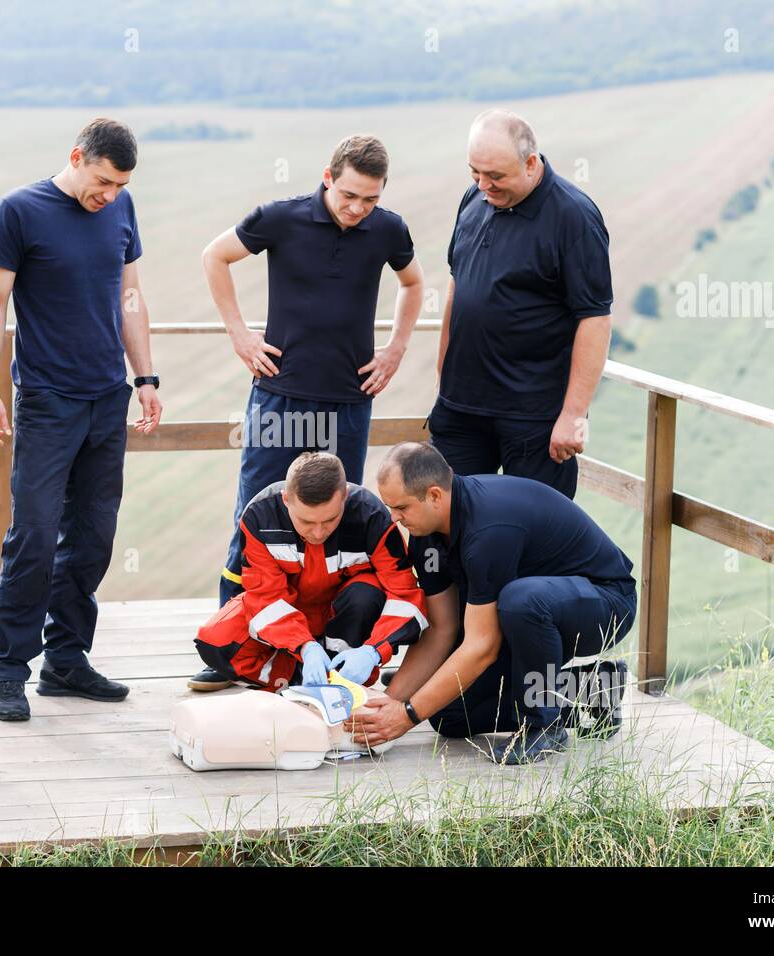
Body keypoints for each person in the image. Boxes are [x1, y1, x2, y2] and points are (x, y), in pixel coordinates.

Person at [191, 134, 425, 691]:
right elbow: (214, 256)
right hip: (281, 395)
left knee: (333, 522)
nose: (356, 208)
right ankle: (236, 641)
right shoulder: (279, 218)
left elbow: (414, 285)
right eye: (348, 195)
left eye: (368, 199)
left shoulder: (389, 229)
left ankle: (326, 650)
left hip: (348, 399)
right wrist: (239, 333)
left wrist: (395, 349)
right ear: (328, 176)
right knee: (255, 515)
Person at [0, 118, 162, 722]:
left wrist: (146, 377)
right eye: (102, 181)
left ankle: (66, 660)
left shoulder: (122, 206)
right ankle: (9, 670)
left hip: (108, 399)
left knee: (93, 537)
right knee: (31, 536)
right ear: (77, 157)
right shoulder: (19, 211)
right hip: (48, 400)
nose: (108, 195)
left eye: (119, 185)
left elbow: (129, 296)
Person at [350, 442, 636, 764]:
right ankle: (593, 690)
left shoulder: (488, 530)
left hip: (604, 602)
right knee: (449, 715)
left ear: (434, 495)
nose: (394, 518)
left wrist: (407, 716)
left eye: (401, 508)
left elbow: (482, 645)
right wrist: (389, 705)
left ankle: (544, 725)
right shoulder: (424, 533)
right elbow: (442, 630)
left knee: (521, 602)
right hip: (532, 617)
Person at [431, 109, 613, 499]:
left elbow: (594, 318)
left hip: (534, 418)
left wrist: (573, 415)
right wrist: (443, 370)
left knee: (534, 537)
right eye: (474, 173)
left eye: (496, 176)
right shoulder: (474, 198)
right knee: (442, 530)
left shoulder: (573, 217)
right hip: (462, 407)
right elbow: (457, 286)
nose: (483, 185)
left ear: (531, 164)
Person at [195, 453, 428, 692]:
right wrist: (304, 646)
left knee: (365, 594)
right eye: (306, 521)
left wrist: (373, 651)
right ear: (286, 500)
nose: (318, 533)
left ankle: (341, 678)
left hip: (346, 614)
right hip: (289, 613)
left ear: (345, 497)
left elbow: (405, 595)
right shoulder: (259, 516)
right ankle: (297, 678)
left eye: (330, 519)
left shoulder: (372, 517)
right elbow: (264, 598)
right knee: (215, 642)